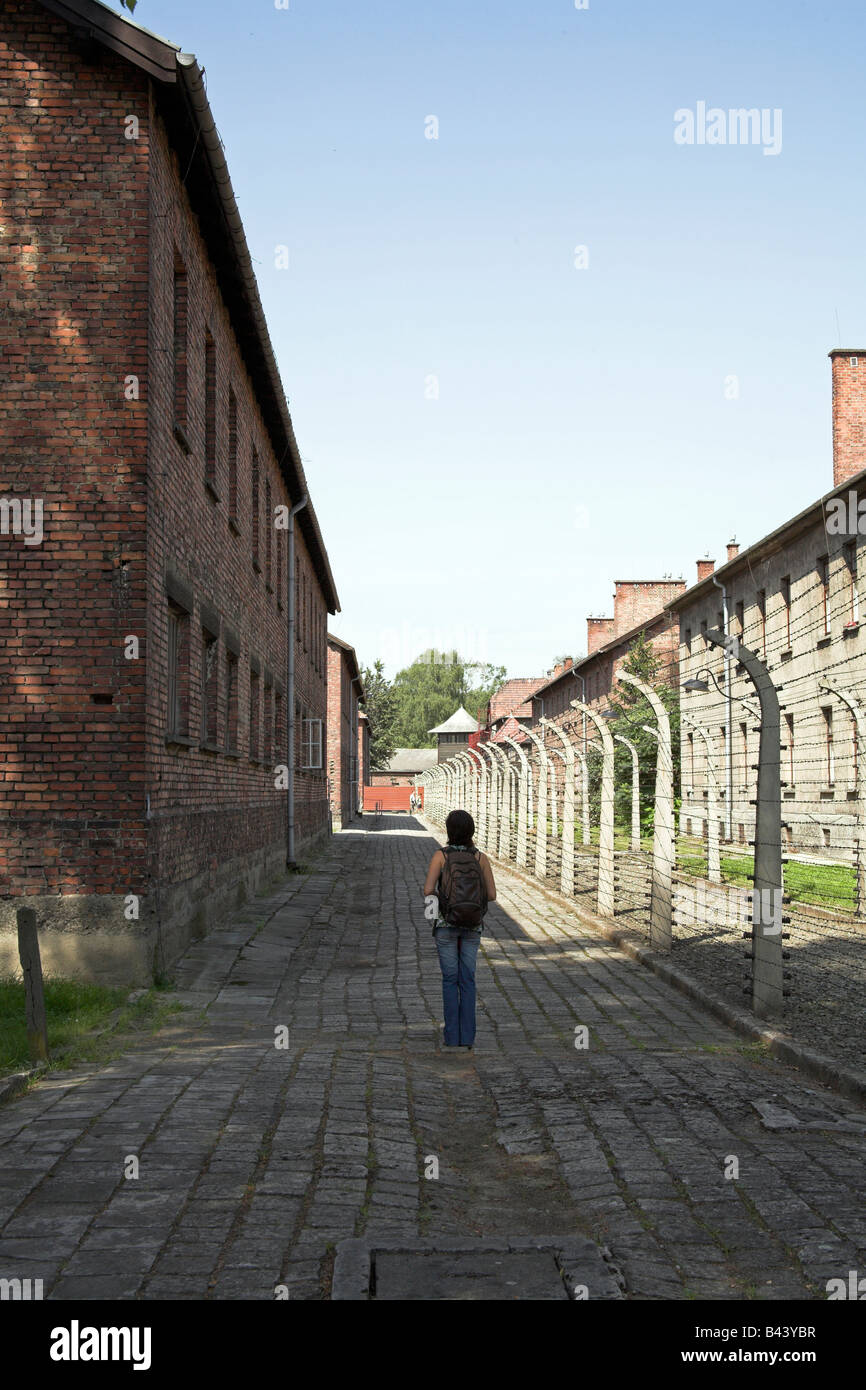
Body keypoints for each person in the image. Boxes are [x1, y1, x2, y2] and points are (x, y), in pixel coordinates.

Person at [422, 808, 496, 1050]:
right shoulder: (480, 858)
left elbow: (427, 890)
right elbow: (493, 895)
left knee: (449, 979)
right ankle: (468, 1037)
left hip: (446, 925)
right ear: (471, 830)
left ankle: (451, 1036)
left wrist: (445, 898)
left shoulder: (440, 856)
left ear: (449, 830)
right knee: (468, 979)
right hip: (472, 925)